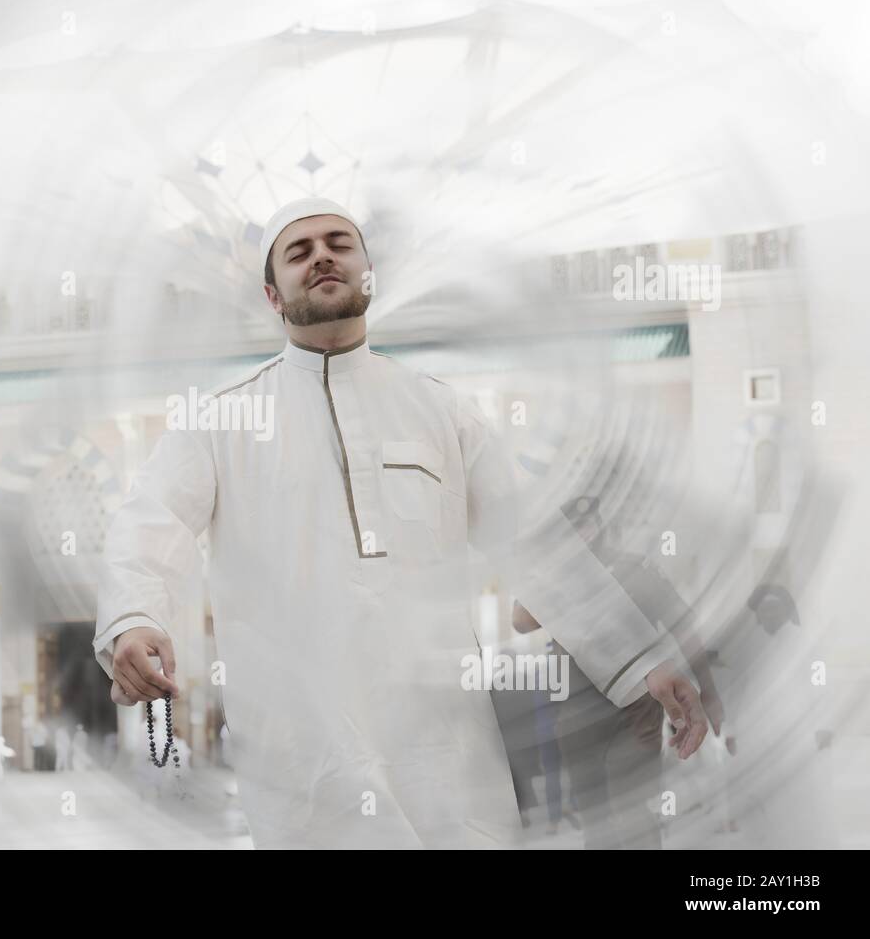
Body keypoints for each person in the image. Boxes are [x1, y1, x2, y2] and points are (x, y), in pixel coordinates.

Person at [92, 196, 710, 848]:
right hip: (306, 759)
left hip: (446, 751)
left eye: (338, 243)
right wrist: (133, 617)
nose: (322, 256)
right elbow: (149, 519)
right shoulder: (221, 421)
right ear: (274, 297)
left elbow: (533, 541)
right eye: (299, 251)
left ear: (368, 273)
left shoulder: (444, 412)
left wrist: (642, 656)